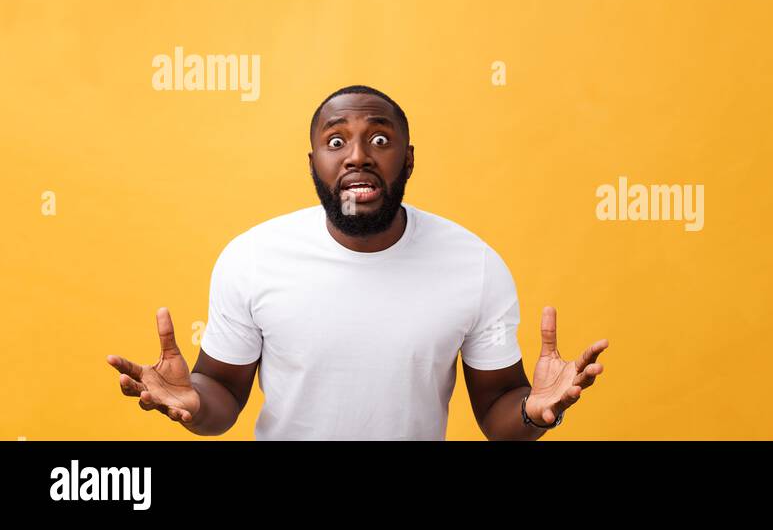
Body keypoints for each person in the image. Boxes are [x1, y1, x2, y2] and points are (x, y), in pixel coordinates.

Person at [106, 85, 608, 440]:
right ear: (313, 164)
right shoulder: (253, 258)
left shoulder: (474, 265)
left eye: (380, 140)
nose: (358, 157)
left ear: (408, 160)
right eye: (336, 141)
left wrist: (536, 411)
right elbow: (222, 397)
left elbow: (500, 411)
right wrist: (193, 403)